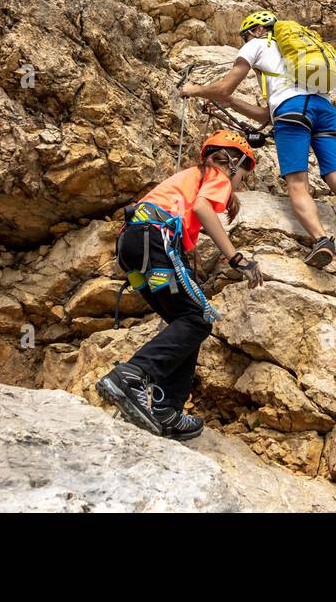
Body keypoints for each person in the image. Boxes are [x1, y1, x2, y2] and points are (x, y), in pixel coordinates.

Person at [181, 10, 336, 285]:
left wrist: (195, 89)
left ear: (257, 30)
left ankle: (321, 241)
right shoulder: (299, 53)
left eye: (247, 34)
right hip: (325, 111)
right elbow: (264, 116)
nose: (246, 39)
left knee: (298, 184)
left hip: (292, 111)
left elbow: (225, 87)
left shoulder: (258, 44)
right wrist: (231, 104)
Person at [96, 130, 263, 440]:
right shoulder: (219, 176)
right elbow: (201, 208)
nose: (241, 181)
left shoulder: (198, 175)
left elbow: (193, 206)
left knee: (186, 319)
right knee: (199, 318)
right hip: (154, 238)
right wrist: (237, 258)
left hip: (134, 247)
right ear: (234, 162)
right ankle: (132, 376)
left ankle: (165, 410)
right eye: (243, 174)